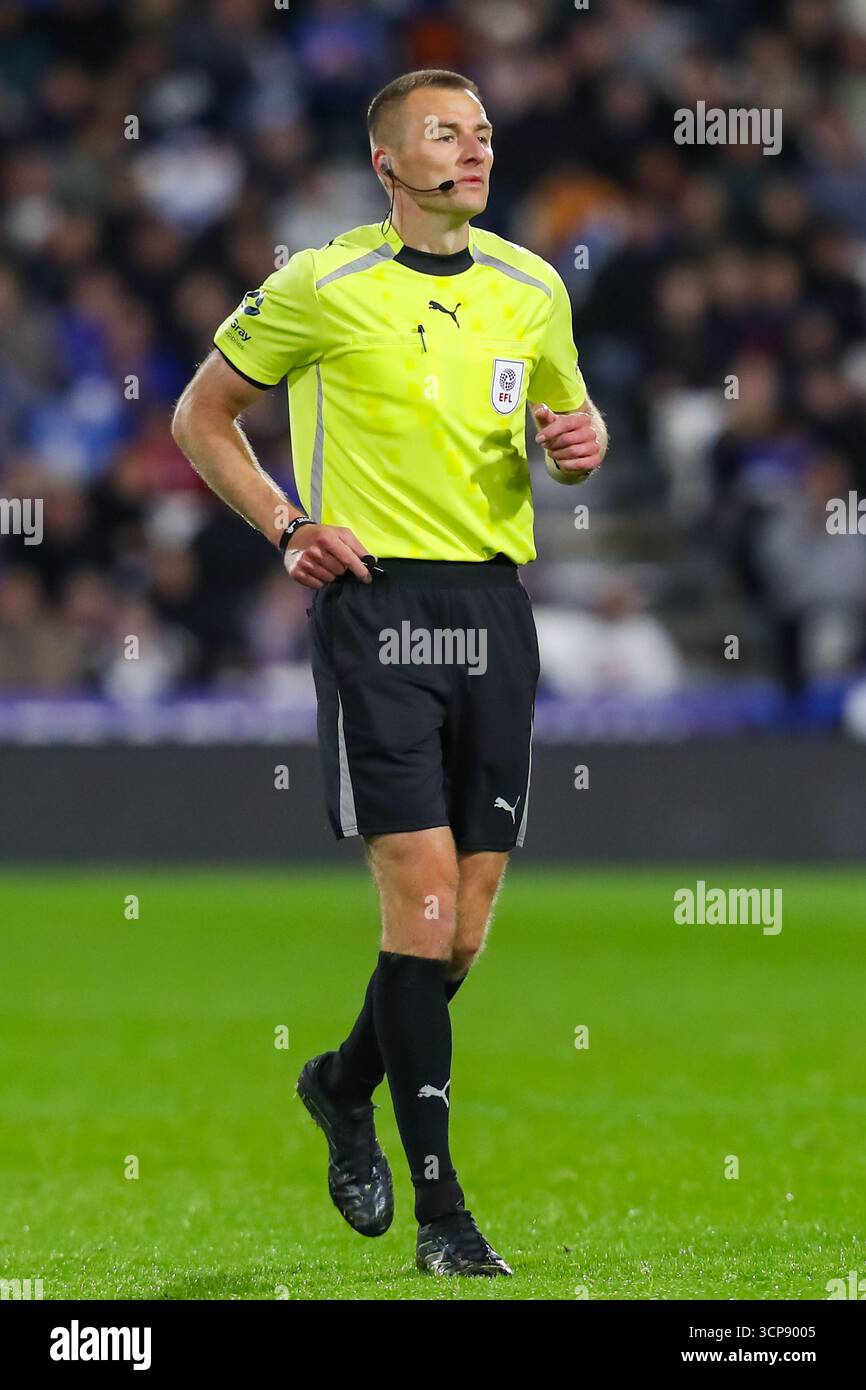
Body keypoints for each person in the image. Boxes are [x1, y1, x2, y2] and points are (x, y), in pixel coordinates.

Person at [171, 68, 608, 1278]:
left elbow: (571, 433)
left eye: (478, 132)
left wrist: (581, 446)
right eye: (441, 135)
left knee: (458, 939)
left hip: (493, 611)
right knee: (415, 908)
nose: (469, 151)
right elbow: (203, 417)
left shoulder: (529, 286)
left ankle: (336, 1082)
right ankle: (444, 1217)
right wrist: (283, 523)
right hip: (380, 613)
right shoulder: (322, 282)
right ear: (385, 164)